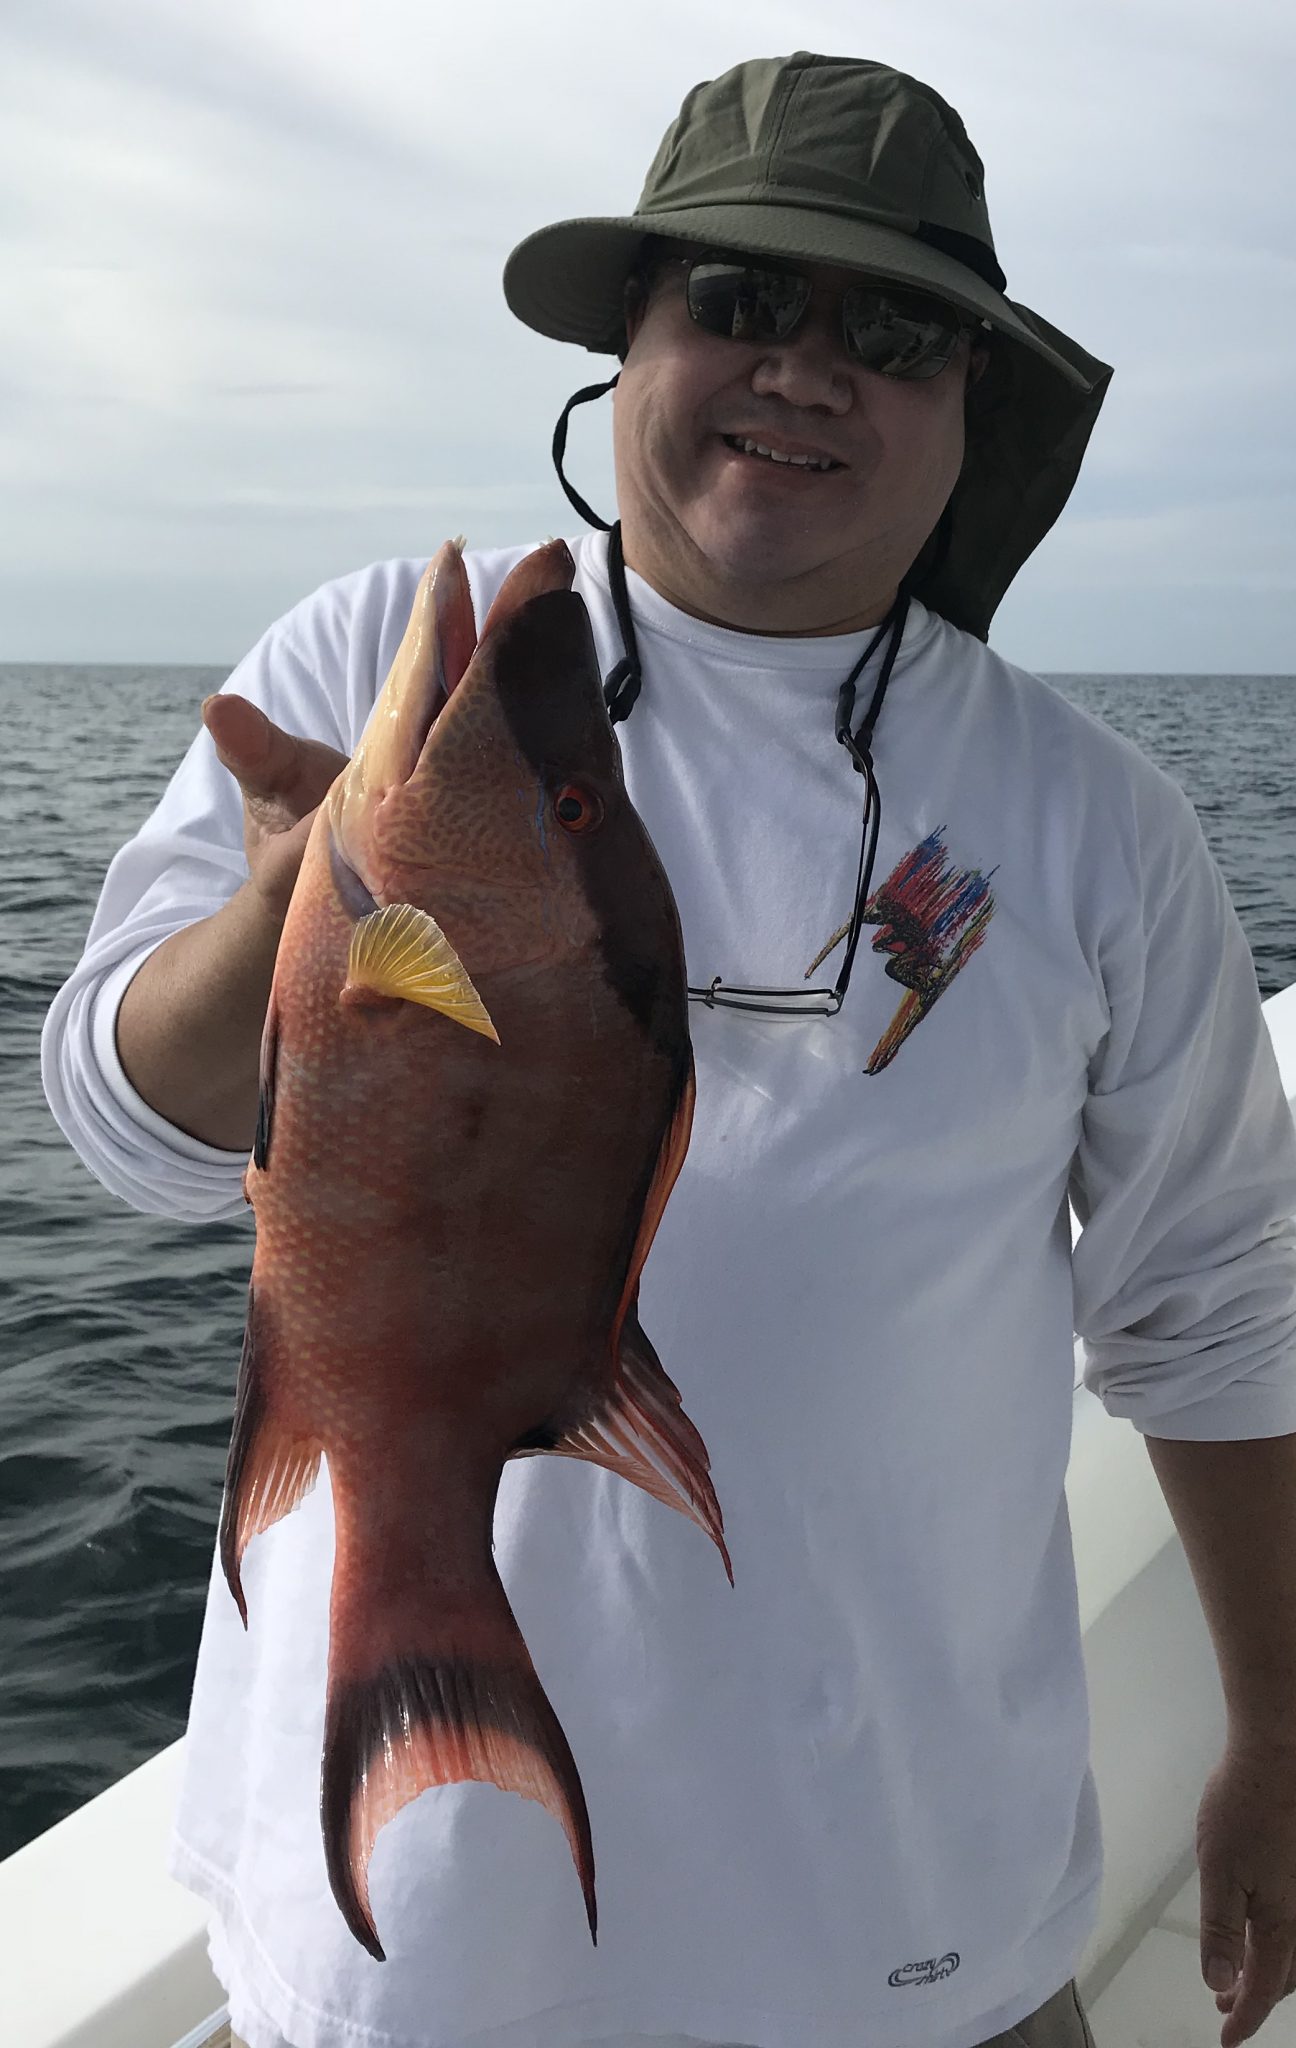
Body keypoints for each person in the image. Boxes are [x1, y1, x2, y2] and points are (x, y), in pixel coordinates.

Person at [40, 49, 1296, 2048]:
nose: (805, 367)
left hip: (919, 1934)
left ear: (973, 403)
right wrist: (289, 922)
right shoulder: (390, 657)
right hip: (413, 1947)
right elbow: (128, 1125)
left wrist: (1281, 1729)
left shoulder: (1099, 821)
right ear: (625, 337)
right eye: (737, 300)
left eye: (890, 329)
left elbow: (1218, 1303)